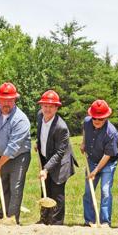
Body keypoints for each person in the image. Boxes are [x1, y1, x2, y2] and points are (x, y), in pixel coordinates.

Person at [0, 82, 31, 224]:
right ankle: (3, 215)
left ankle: (12, 220)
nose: (6, 103)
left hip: (19, 156)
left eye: (10, 100)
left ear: (15, 100)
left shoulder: (21, 120)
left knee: (15, 188)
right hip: (1, 155)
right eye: (3, 99)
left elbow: (13, 148)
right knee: (3, 185)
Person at [35, 90, 76, 225]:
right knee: (45, 188)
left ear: (56, 108)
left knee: (57, 192)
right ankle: (44, 219)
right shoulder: (40, 116)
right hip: (47, 157)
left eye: (51, 106)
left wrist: (46, 170)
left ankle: (56, 223)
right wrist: (38, 143)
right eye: (45, 105)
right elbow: (42, 134)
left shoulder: (61, 127)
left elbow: (59, 152)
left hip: (61, 162)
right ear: (41, 106)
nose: (47, 109)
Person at [81, 99, 118, 226]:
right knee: (88, 191)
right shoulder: (87, 122)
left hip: (108, 162)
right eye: (94, 118)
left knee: (105, 191)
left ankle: (105, 221)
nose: (97, 121)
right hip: (91, 159)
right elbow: (85, 130)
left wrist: (96, 171)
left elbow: (108, 155)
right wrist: (83, 143)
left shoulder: (111, 133)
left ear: (106, 117)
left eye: (100, 119)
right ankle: (89, 220)